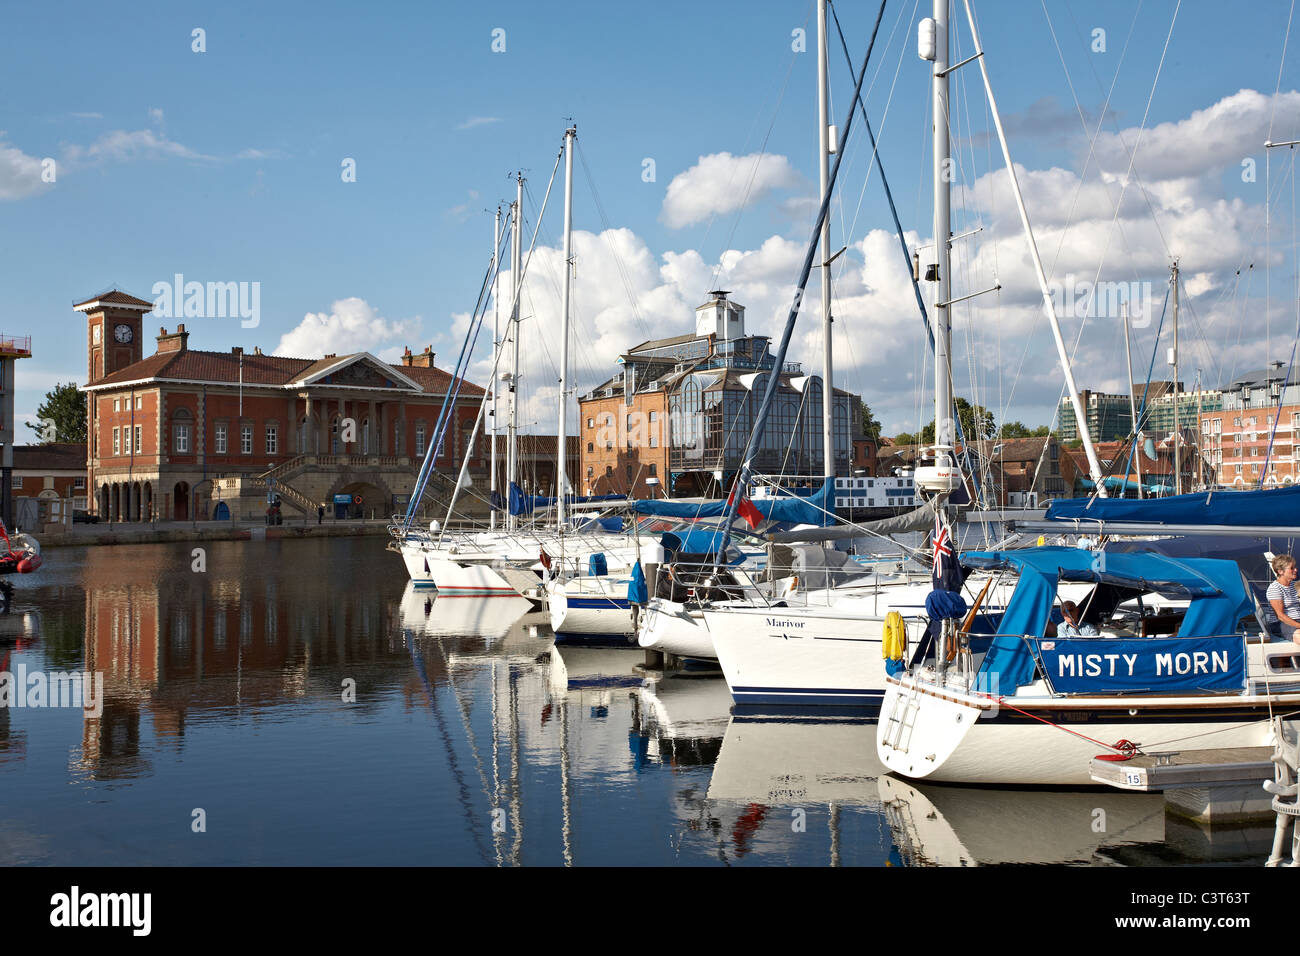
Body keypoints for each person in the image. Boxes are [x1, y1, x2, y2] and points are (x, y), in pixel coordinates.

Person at [1268, 554, 1300, 640]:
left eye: (1295, 567)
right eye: (1292, 568)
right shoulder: (1275, 588)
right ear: (1280, 571)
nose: (1296, 570)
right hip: (1281, 623)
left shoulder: (1296, 585)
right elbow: (1280, 616)